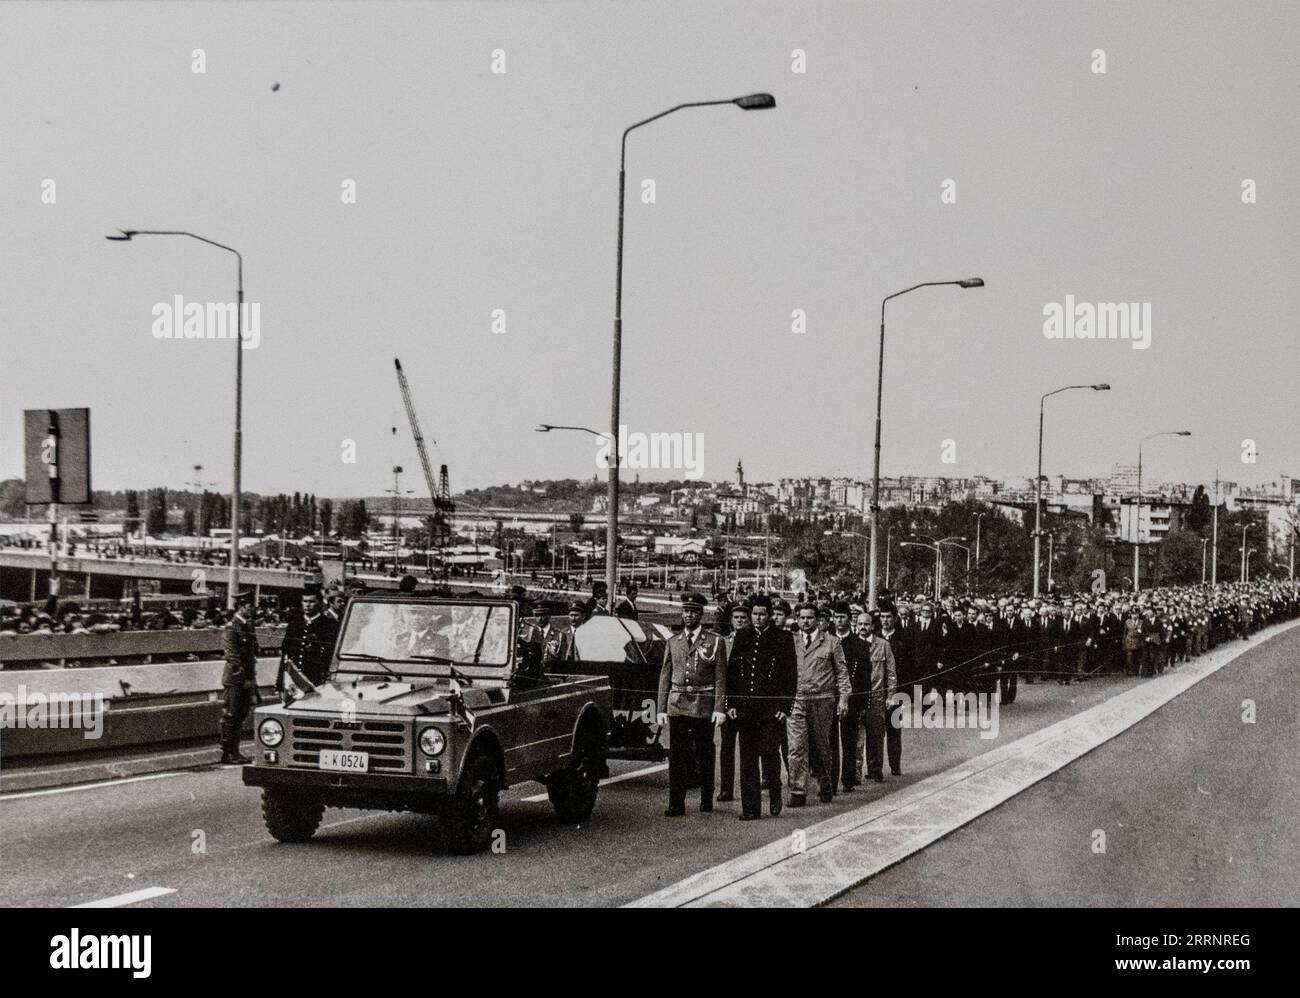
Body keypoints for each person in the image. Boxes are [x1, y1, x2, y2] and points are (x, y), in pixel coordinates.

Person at [724, 594, 795, 819]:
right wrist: (730, 703)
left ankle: (775, 792)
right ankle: (751, 809)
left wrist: (785, 707)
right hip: (746, 708)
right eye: (754, 614)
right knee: (747, 760)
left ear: (770, 615)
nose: (757, 618)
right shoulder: (742, 636)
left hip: (771, 709)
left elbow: (790, 676)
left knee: (769, 753)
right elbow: (732, 673)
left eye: (762, 614)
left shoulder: (782, 638)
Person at [656, 592, 728, 817]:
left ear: (701, 614)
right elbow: (665, 676)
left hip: (703, 705)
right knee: (677, 756)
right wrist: (661, 708)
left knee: (705, 754)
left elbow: (720, 678)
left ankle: (707, 798)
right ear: (682, 613)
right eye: (686, 611)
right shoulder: (673, 642)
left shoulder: (714, 641)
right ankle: (676, 803)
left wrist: (719, 708)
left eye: (694, 611)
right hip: (677, 704)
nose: (689, 615)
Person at [788, 604, 851, 807]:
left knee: (820, 745)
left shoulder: (831, 642)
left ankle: (825, 782)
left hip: (822, 700)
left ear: (817, 620)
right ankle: (798, 790)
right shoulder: (792, 642)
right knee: (797, 746)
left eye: (809, 618)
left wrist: (843, 699)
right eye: (801, 618)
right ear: (797, 619)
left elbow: (842, 672)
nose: (805, 621)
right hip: (797, 700)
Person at [830, 601, 868, 793]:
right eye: (836, 617)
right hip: (830, 697)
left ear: (849, 619)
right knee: (831, 743)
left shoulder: (859, 644)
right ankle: (831, 779)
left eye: (843, 617)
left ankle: (848, 778)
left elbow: (864, 676)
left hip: (851, 699)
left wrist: (863, 704)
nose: (839, 621)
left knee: (850, 740)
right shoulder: (827, 641)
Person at [716, 603, 752, 803]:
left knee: (749, 748)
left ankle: (751, 787)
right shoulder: (724, 642)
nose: (739, 621)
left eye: (743, 618)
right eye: (736, 617)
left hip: (746, 701)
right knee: (726, 747)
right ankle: (726, 789)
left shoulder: (754, 643)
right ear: (731, 620)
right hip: (728, 700)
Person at [219, 592, 260, 765]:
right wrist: (245, 678)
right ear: (242, 606)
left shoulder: (248, 626)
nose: (252, 610)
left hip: (247, 678)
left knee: (241, 714)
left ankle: (235, 751)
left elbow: (252, 653)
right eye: (250, 606)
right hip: (236, 678)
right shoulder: (232, 627)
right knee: (231, 714)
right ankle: (228, 752)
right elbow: (233, 656)